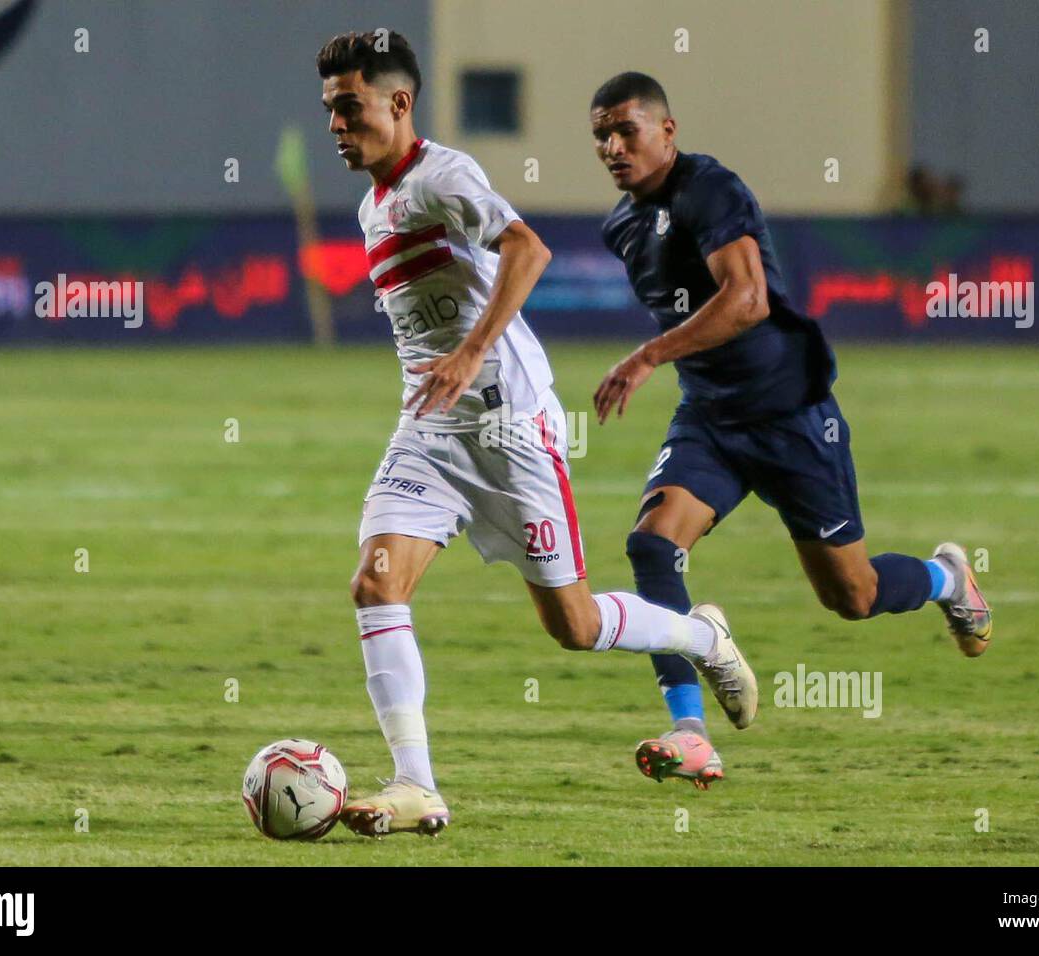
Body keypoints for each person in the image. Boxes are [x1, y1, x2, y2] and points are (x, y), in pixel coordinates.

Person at [319, 35, 759, 835]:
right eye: (329, 113)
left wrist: (472, 351)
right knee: (376, 585)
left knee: (575, 626)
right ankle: (416, 783)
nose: (337, 126)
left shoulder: (442, 176)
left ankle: (702, 635)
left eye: (349, 108)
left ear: (398, 104)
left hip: (508, 425)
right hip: (429, 430)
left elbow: (528, 248)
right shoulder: (369, 206)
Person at [588, 72, 993, 789]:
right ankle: (691, 734)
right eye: (601, 135)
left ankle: (945, 578)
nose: (613, 146)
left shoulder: (710, 188)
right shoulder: (621, 227)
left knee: (852, 596)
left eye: (627, 130)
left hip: (791, 417)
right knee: (651, 544)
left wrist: (647, 355)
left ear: (668, 130)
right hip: (712, 418)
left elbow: (744, 302)